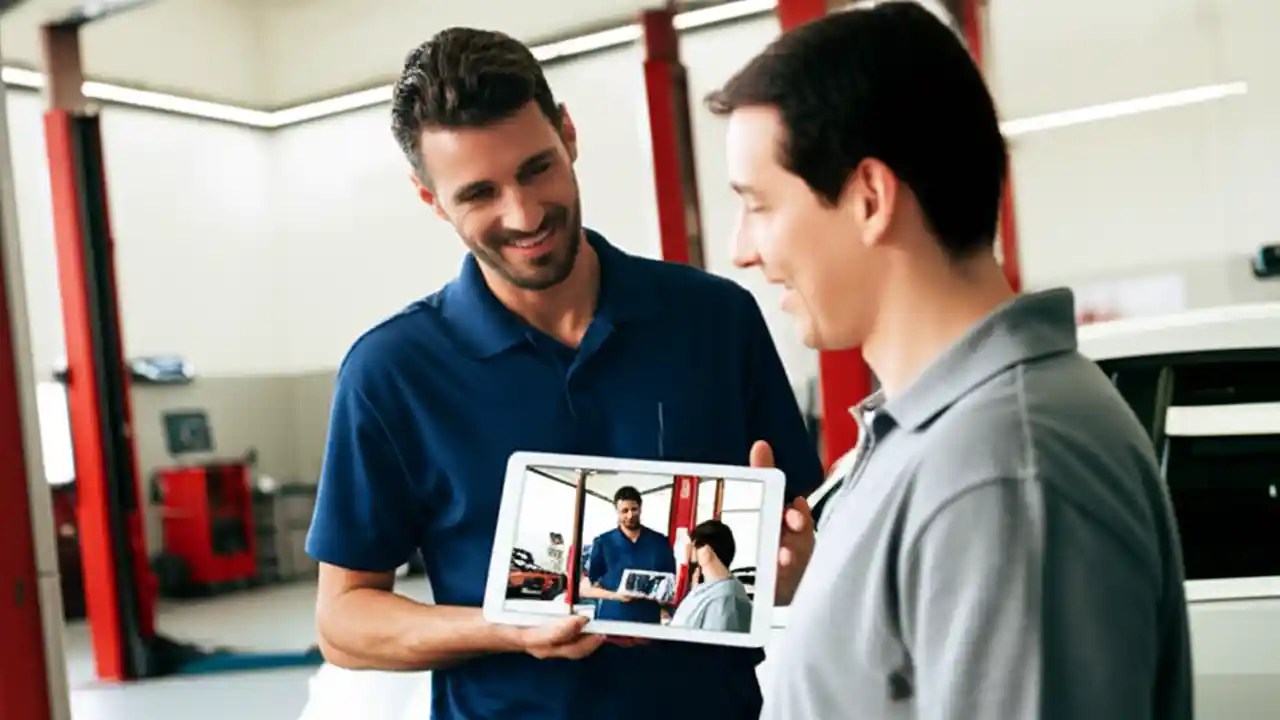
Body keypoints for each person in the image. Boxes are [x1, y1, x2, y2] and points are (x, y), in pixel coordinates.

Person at [305, 25, 824, 720]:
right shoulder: (392, 372)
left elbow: (794, 562)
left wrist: (786, 569)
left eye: (536, 169)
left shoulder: (714, 319)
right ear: (431, 199)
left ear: (568, 134)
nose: (522, 215)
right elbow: (343, 620)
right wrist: (504, 629)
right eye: (479, 193)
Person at [707, 3, 1194, 719]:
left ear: (870, 198)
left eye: (759, 206)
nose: (741, 250)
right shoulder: (934, 438)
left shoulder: (1003, 473)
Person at [581, 486, 675, 624]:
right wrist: (616, 596)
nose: (630, 515)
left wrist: (664, 604)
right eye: (624, 511)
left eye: (634, 509)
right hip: (611, 621)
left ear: (640, 508)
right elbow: (585, 589)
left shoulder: (659, 542)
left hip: (648, 623)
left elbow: (670, 583)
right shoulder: (604, 542)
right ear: (617, 512)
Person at [669, 519, 752, 633]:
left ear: (706, 551)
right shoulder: (715, 589)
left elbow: (712, 644)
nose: (689, 551)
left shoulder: (722, 598)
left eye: (694, 545)